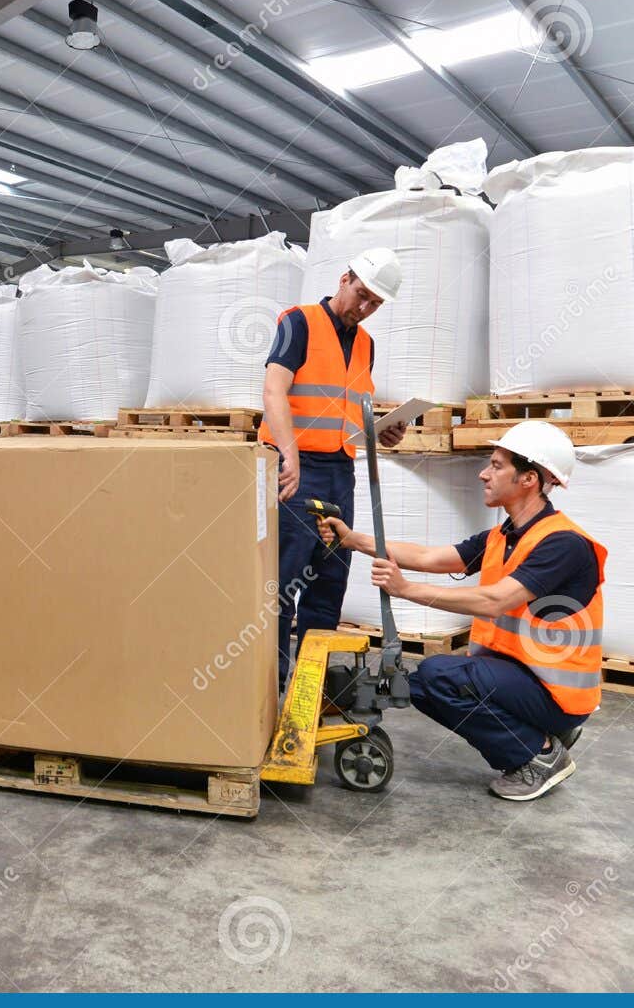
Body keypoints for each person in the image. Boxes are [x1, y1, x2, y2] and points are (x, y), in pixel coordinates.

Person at [317, 421, 607, 802]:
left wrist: (405, 590)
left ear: (529, 479)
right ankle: (537, 734)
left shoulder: (563, 545)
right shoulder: (503, 536)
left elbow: (494, 600)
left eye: (497, 465)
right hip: (523, 680)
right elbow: (429, 557)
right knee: (418, 686)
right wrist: (353, 539)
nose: (484, 473)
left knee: (440, 676)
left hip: (556, 695)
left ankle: (538, 756)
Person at [259, 248, 407, 686]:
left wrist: (382, 433)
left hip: (341, 472)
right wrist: (290, 455)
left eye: (375, 304)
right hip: (295, 469)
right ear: (344, 279)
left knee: (328, 582)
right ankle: (269, 694)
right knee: (284, 583)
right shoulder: (298, 322)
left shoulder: (366, 344)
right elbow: (273, 391)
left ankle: (309, 688)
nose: (364, 309)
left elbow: (344, 410)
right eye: (361, 295)